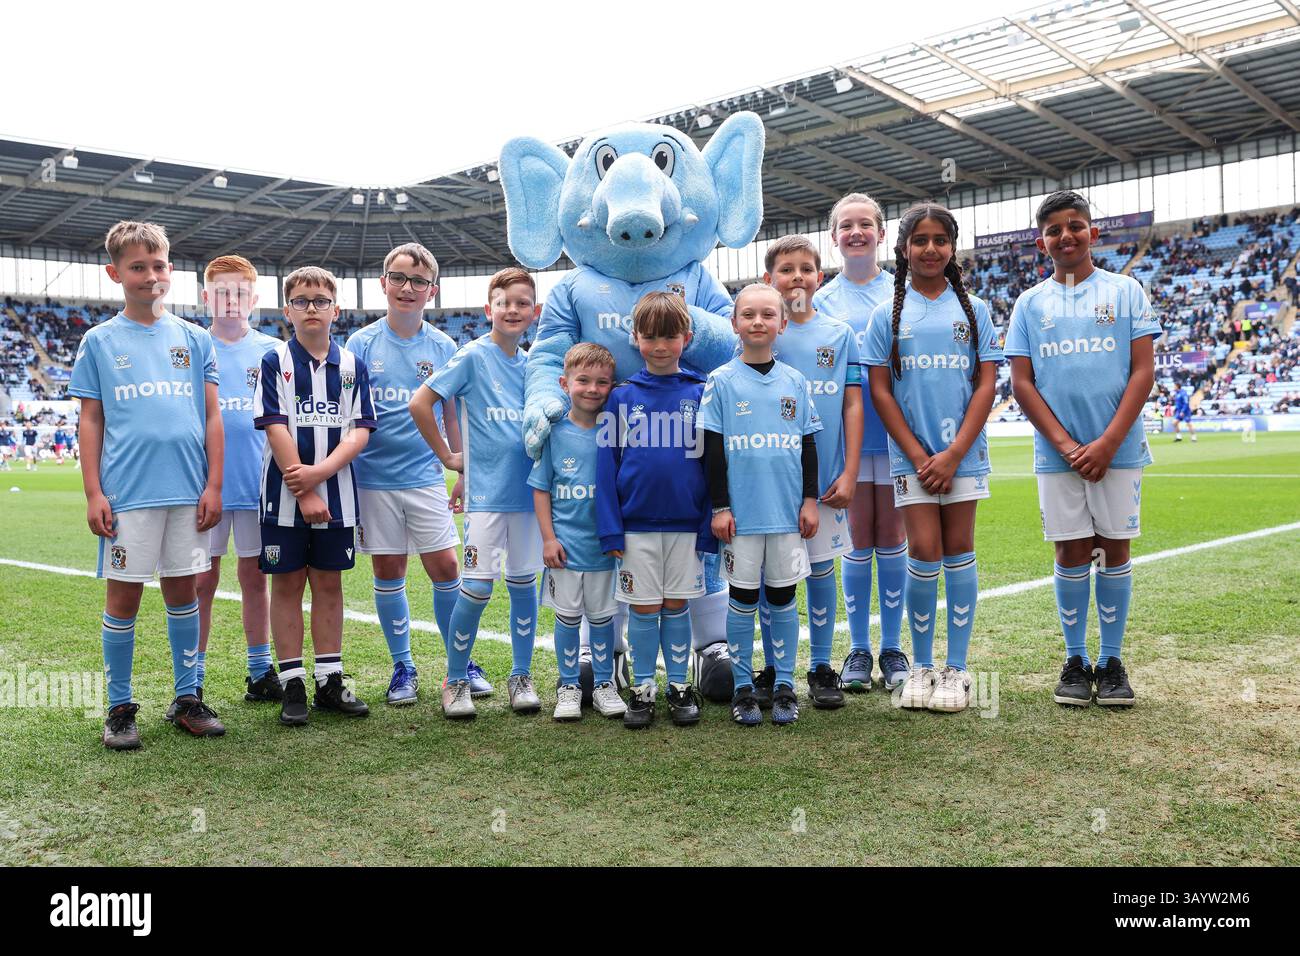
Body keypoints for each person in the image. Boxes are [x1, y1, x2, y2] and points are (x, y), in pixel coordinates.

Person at [70, 220, 226, 749]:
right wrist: (94, 492)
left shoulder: (194, 338)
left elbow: (211, 418)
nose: (151, 276)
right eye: (138, 267)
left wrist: (214, 485)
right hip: (128, 495)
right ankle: (119, 708)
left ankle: (187, 697)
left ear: (172, 271)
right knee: (125, 598)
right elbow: (90, 421)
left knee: (184, 591)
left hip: (188, 491)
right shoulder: (99, 341)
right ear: (115, 273)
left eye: (159, 266)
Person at [1006, 189, 1160, 708]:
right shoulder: (1030, 303)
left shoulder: (1126, 291)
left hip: (1119, 449)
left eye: (1075, 225)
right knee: (1071, 550)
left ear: (1093, 232)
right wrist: (1070, 445)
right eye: (1054, 229)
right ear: (1041, 241)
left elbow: (1143, 371)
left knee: (1113, 549)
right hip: (1059, 455)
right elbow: (1022, 383)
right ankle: (1075, 660)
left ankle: (1111, 661)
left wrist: (1108, 441)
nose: (1065, 235)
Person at [862, 203, 1002, 714]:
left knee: (959, 547)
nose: (930, 249)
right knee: (923, 550)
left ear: (952, 247)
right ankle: (921, 666)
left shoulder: (975, 311)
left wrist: (956, 452)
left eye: (940, 239)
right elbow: (880, 392)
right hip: (913, 458)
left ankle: (957, 669)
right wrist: (921, 455)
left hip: (962, 454)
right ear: (902, 249)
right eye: (919, 240)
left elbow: (988, 382)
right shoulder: (886, 315)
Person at [345, 243, 477, 706]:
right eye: (399, 278)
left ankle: (461, 663)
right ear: (383, 283)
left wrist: (460, 467)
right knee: (389, 569)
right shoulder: (359, 345)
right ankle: (403, 666)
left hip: (425, 475)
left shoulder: (443, 346)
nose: (407, 287)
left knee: (445, 568)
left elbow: (453, 413)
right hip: (373, 478)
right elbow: (350, 416)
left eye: (418, 281)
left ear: (432, 291)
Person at [412, 267, 542, 720]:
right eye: (504, 302)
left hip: (529, 498)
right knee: (477, 589)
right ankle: (455, 678)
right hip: (487, 499)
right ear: (489, 309)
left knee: (526, 586)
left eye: (522, 303)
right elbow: (420, 402)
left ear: (534, 312)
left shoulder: (533, 366)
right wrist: (450, 458)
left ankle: (520, 675)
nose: (512, 309)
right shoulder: (472, 355)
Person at [254, 266, 376, 726]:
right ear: (288, 310)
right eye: (301, 300)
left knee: (329, 584)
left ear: (335, 310)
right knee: (286, 584)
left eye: (320, 300)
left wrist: (320, 475)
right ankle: (292, 683)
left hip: (338, 495)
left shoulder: (351, 366)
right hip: (283, 498)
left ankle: (329, 680)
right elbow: (275, 425)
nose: (311, 307)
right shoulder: (275, 362)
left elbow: (359, 430)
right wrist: (302, 488)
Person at [701, 283, 822, 726]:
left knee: (784, 598)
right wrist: (720, 507)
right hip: (742, 516)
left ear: (782, 323)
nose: (757, 322)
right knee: (743, 599)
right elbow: (713, 452)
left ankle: (785, 684)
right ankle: (742, 688)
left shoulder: (795, 381)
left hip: (787, 514)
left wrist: (810, 500)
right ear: (734, 323)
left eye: (767, 315)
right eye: (748, 314)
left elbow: (808, 446)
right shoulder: (721, 381)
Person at [595, 292, 714, 729]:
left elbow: (714, 467)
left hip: (686, 526)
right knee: (644, 607)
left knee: (676, 603)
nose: (660, 346)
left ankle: (679, 686)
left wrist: (707, 525)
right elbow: (605, 468)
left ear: (687, 337)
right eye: (650, 337)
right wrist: (611, 530)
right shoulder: (620, 398)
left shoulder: (702, 394)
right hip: (635, 528)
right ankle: (643, 688)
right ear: (635, 338)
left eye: (669, 336)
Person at [813, 192, 910, 693]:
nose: (855, 233)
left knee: (890, 536)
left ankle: (891, 648)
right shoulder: (820, 299)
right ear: (833, 237)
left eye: (865, 225)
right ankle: (856, 650)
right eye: (845, 226)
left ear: (881, 234)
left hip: (893, 437)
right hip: (843, 442)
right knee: (853, 541)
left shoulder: (903, 293)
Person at [758, 235, 861, 710]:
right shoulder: (761, 333)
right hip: (769, 483)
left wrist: (850, 470)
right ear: (769, 280)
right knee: (770, 578)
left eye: (805, 268)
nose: (796, 276)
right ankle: (776, 669)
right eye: (786, 269)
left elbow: (853, 405)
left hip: (823, 480)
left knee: (821, 569)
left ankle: (821, 665)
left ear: (821, 277)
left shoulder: (839, 335)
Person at [189, 255, 282, 717]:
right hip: (203, 487)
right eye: (221, 291)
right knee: (201, 580)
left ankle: (260, 671)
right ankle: (194, 679)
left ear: (254, 299)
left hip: (259, 484)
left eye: (240, 292)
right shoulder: (189, 345)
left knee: (255, 578)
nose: (230, 300)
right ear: (206, 297)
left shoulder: (272, 350)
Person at [529, 342, 623, 721]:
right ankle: (569, 685)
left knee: (602, 620)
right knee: (567, 620)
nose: (592, 389)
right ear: (564, 382)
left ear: (612, 387)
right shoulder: (554, 433)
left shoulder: (614, 432)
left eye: (602, 382)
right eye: (582, 380)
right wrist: (549, 539)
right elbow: (541, 488)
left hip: (601, 549)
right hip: (565, 550)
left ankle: (603, 684)